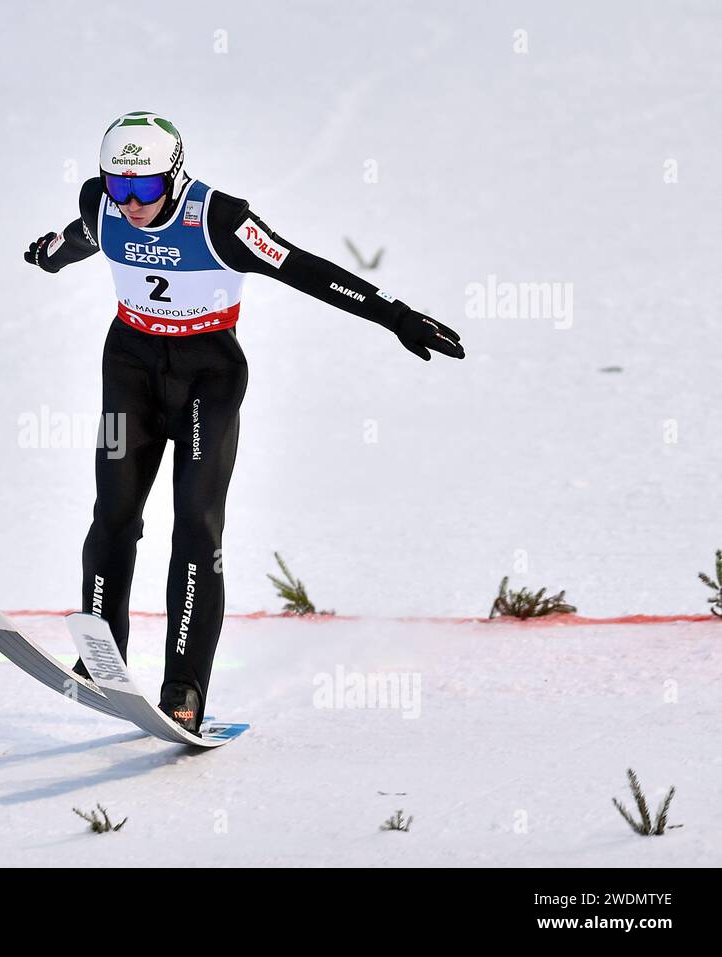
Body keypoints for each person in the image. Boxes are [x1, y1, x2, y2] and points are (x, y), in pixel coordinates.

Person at [24, 111, 464, 734]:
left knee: (196, 528)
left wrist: (396, 316)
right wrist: (50, 255)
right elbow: (83, 234)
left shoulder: (221, 220)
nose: (132, 203)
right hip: (130, 365)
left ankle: (184, 686)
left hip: (208, 375)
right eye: (119, 187)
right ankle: (102, 654)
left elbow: (305, 269)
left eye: (146, 189)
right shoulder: (105, 204)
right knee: (113, 512)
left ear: (175, 176)